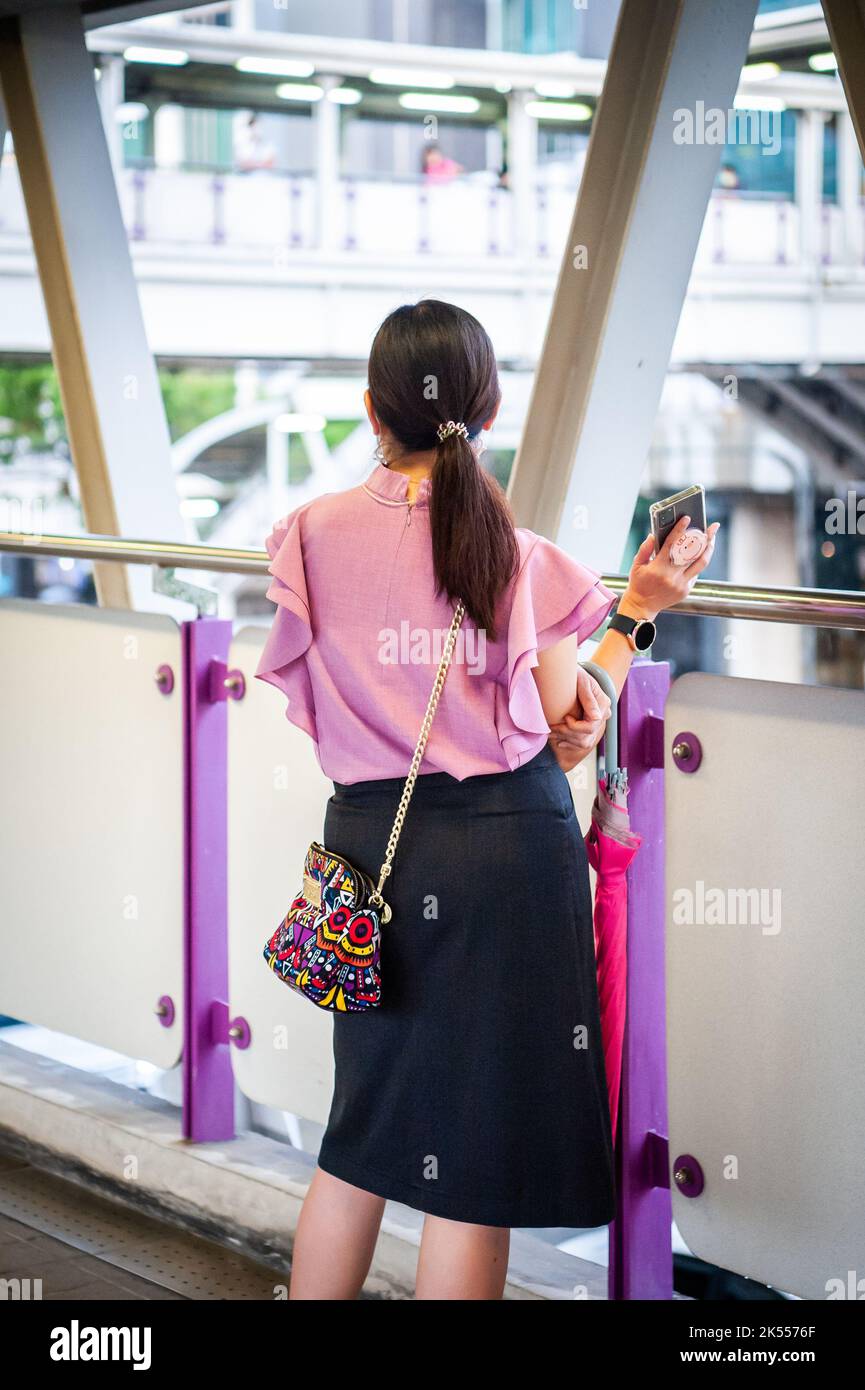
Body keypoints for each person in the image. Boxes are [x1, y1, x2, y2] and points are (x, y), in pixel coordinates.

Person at [255, 299, 719, 1300]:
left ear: (372, 410)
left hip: (367, 851)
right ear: (491, 409)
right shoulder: (516, 550)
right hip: (504, 852)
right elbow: (570, 719)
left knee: (360, 1130)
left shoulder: (306, 534)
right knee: (476, 1159)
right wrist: (636, 611)